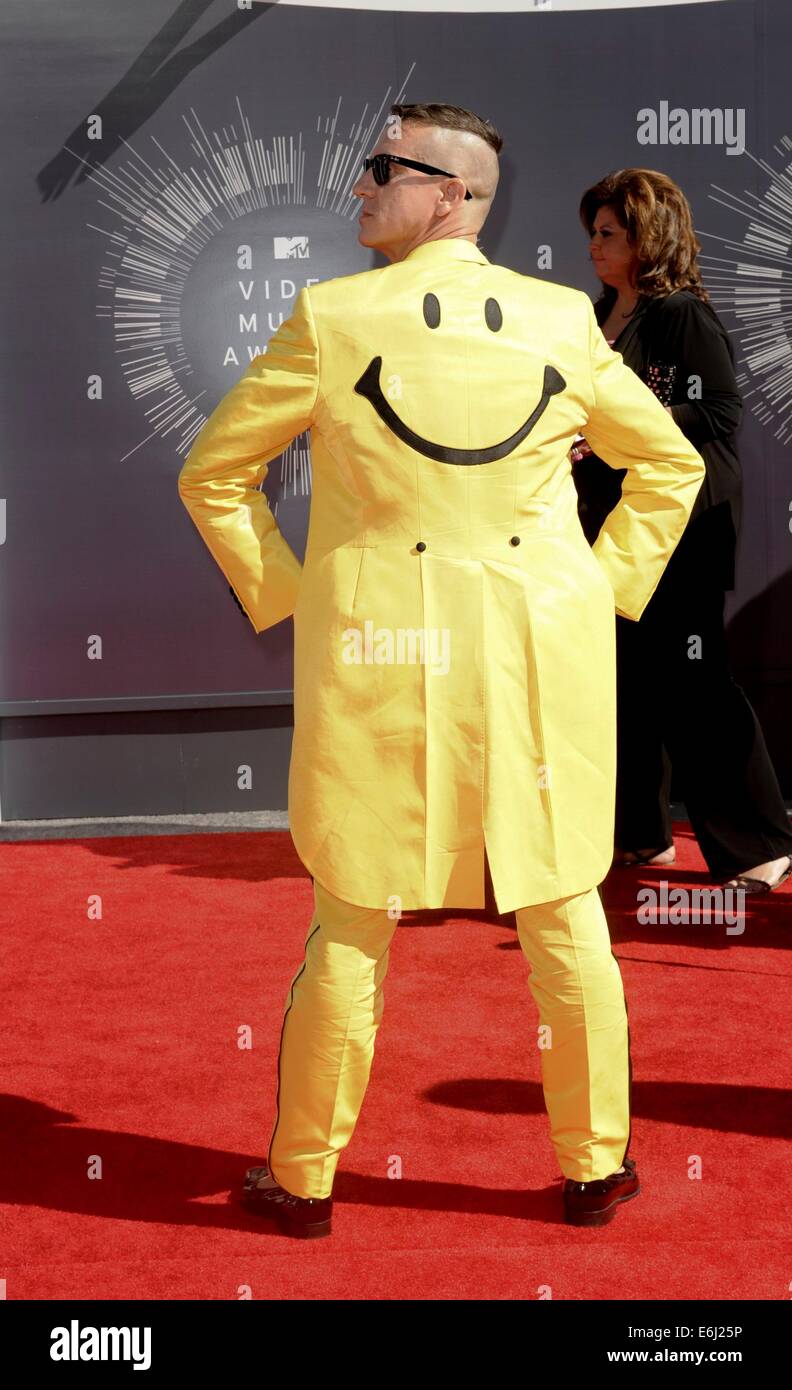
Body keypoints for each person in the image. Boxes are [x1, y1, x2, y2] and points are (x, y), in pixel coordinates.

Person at [177, 105, 705, 1237]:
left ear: (450, 195)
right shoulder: (564, 316)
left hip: (376, 651)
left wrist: (293, 593)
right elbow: (670, 466)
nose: (359, 187)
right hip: (537, 658)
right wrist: (598, 587)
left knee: (352, 921)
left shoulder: (331, 317)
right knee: (566, 915)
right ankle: (594, 1169)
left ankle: (305, 1181)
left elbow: (216, 474)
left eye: (384, 169)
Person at [573, 168, 792, 892]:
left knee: (694, 682)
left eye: (609, 233)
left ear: (647, 237)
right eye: (593, 234)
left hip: (682, 527)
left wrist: (614, 433)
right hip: (614, 524)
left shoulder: (680, 316)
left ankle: (760, 845)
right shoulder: (599, 316)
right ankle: (641, 835)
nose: (595, 247)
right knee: (626, 680)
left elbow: (718, 413)